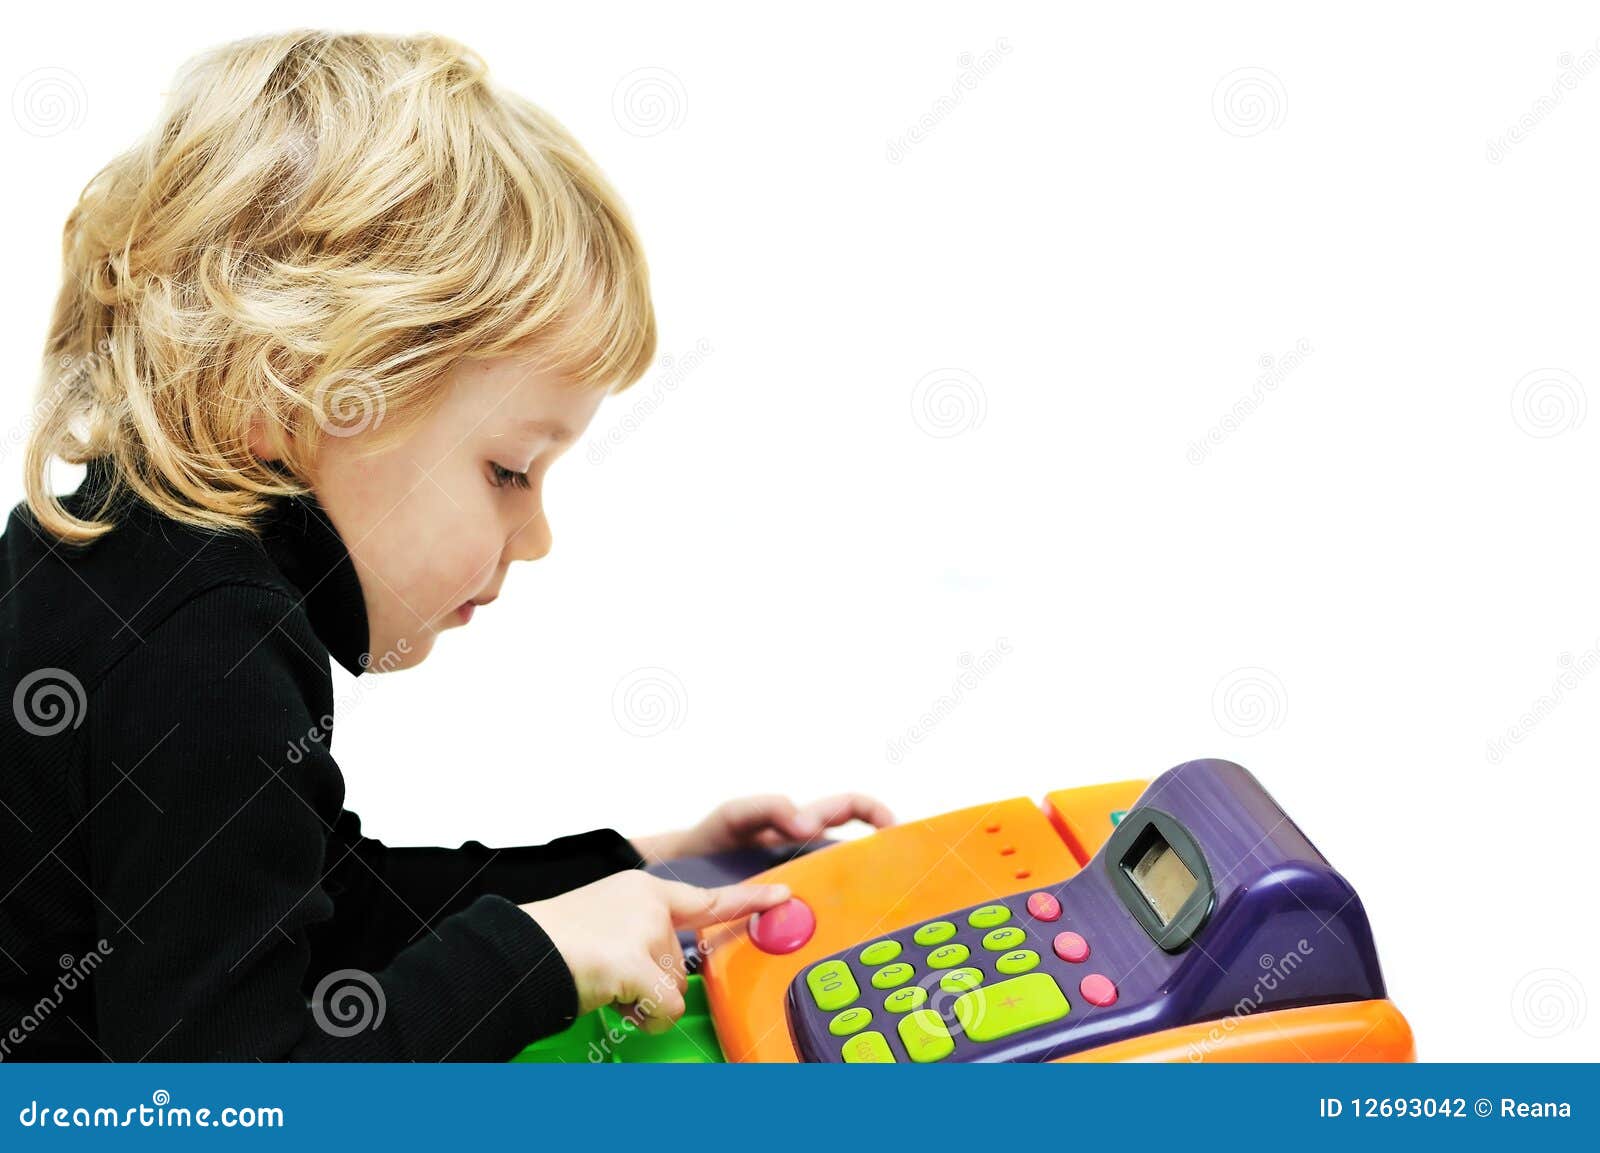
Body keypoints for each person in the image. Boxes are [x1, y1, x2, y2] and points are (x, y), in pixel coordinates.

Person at [0, 30, 891, 1061]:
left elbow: (325, 905)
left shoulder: (127, 551)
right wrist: (534, 961)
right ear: (288, 388)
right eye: (509, 470)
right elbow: (233, 1101)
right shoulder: (203, 646)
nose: (539, 535)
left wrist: (641, 869)